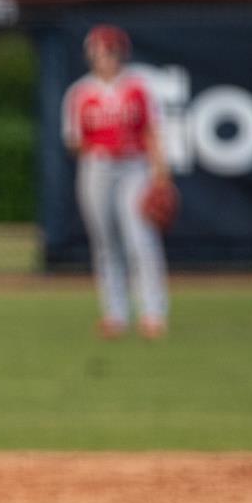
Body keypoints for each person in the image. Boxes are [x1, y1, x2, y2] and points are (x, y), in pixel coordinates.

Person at [63, 23, 172, 339]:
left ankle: (153, 313)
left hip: (134, 166)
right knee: (105, 241)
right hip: (97, 168)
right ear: (90, 55)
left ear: (121, 53)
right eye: (100, 51)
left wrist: (160, 173)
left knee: (141, 238)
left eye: (111, 50)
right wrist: (100, 146)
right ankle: (116, 313)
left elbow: (153, 131)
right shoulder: (80, 92)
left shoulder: (138, 86)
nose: (106, 56)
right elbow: (73, 141)